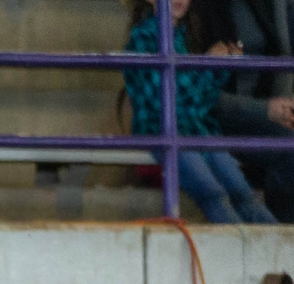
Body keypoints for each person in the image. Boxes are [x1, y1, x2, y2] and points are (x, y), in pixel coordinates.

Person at [124, 0, 278, 223]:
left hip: (195, 132)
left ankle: (278, 252)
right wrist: (208, 65)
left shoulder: (180, 39)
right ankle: (256, 252)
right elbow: (168, 102)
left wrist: (219, 68)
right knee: (214, 195)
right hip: (165, 132)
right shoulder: (143, 39)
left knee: (243, 195)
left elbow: (198, 100)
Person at [211, 0, 294, 220]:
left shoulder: (280, 6)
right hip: (218, 115)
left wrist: (285, 107)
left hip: (273, 111)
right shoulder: (198, 9)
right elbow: (201, 94)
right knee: (287, 145)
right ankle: (284, 239)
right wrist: (265, 110)